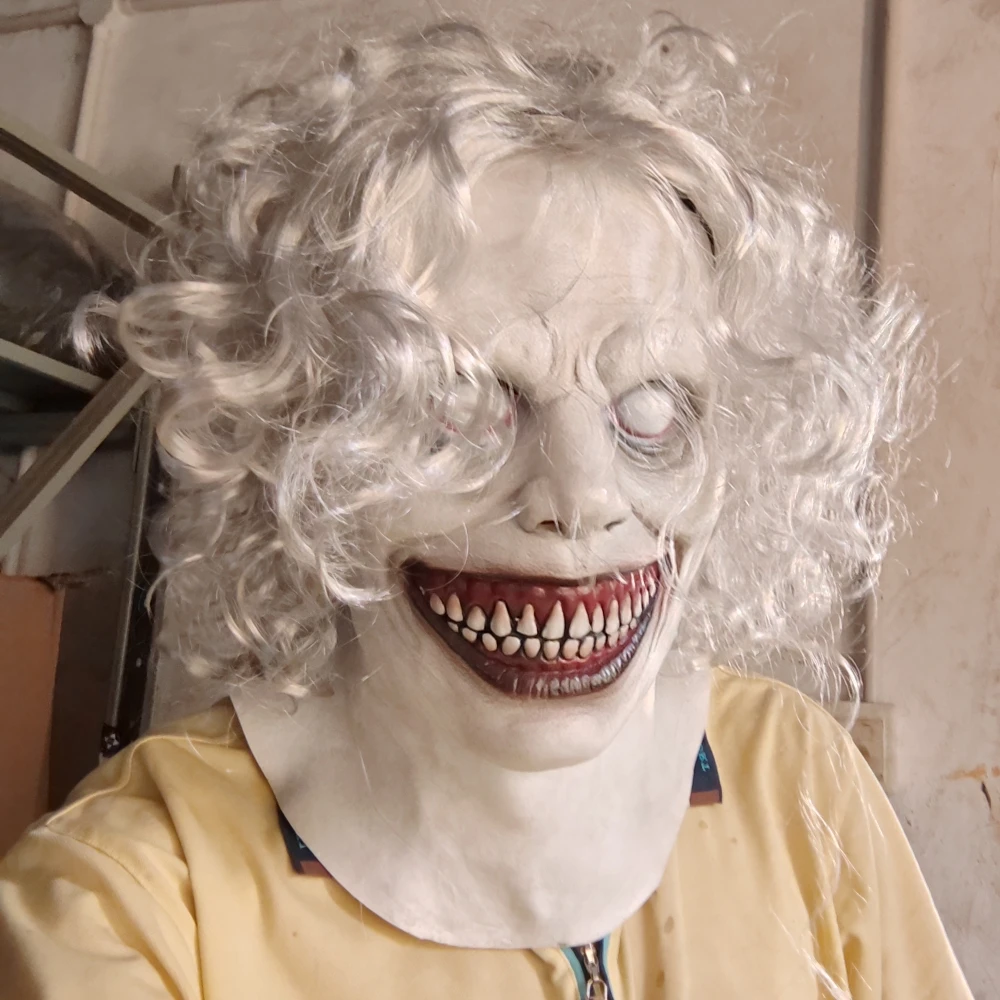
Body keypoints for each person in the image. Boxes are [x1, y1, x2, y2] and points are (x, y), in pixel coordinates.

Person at [0, 19, 973, 999]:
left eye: (652, 411)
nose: (581, 497)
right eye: (456, 410)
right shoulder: (127, 900)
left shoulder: (792, 770)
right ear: (303, 443)